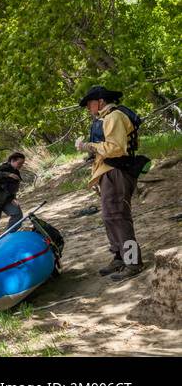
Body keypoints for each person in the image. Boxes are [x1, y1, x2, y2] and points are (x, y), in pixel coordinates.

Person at [74, 85, 142, 280]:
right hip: (108, 172)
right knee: (109, 217)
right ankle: (119, 257)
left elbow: (116, 148)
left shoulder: (114, 117)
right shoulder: (106, 118)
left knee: (119, 217)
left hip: (117, 172)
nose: (88, 107)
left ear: (101, 101)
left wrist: (88, 146)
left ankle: (133, 262)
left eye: (90, 103)